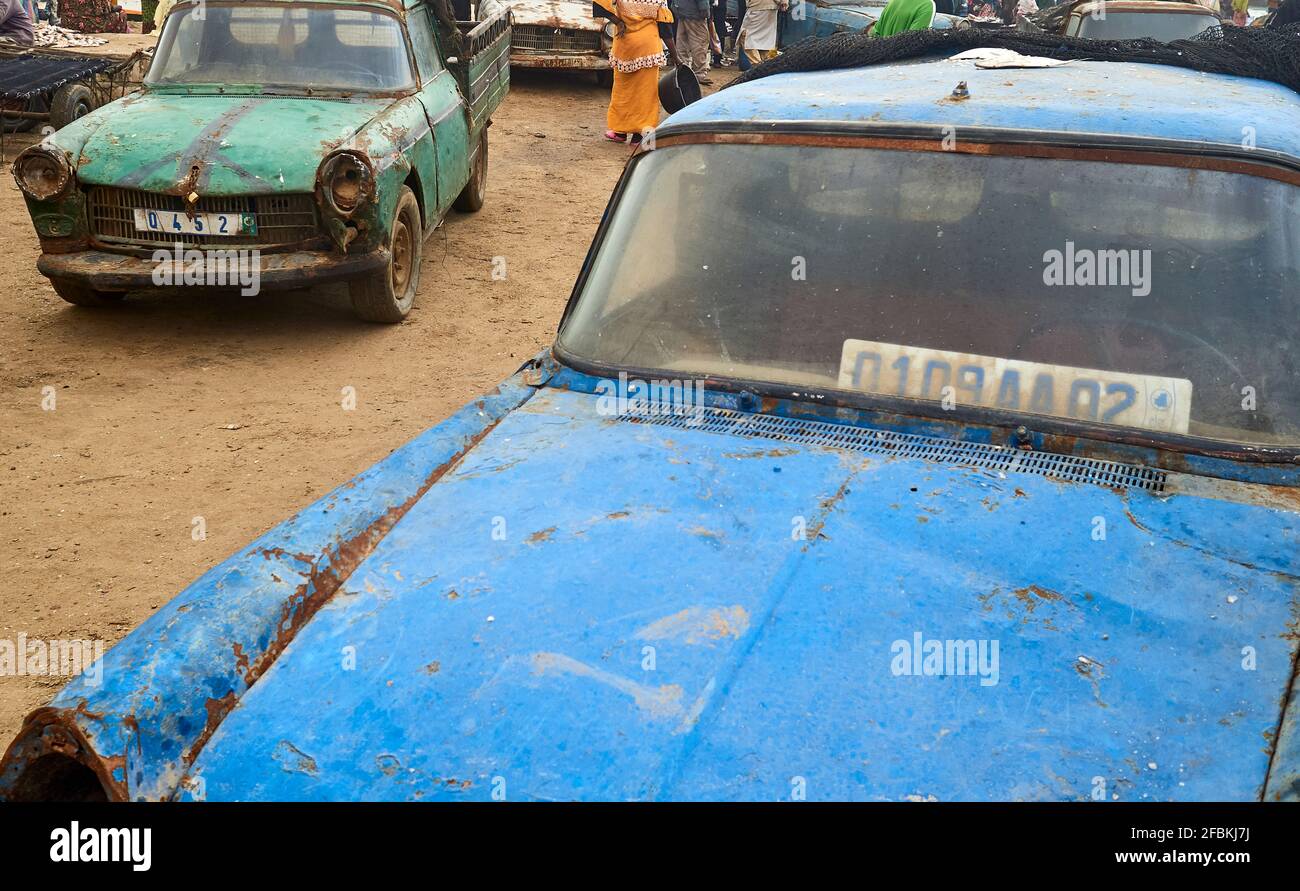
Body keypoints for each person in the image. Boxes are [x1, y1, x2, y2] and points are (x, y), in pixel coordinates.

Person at [594, 0, 680, 143]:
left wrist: (618, 22)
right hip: (648, 46)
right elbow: (665, 28)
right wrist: (675, 56)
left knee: (623, 89)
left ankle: (619, 132)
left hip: (625, 43)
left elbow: (599, 5)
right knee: (646, 92)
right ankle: (640, 134)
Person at [674, 0, 713, 83]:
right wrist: (706, 13)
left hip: (681, 12)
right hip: (695, 15)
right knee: (700, 44)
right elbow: (703, 4)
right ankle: (699, 74)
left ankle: (682, 72)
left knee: (682, 45)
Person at [738, 0, 786, 64]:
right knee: (767, 42)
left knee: (745, 37)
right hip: (772, 8)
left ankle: (758, 65)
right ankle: (772, 65)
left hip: (758, 6)